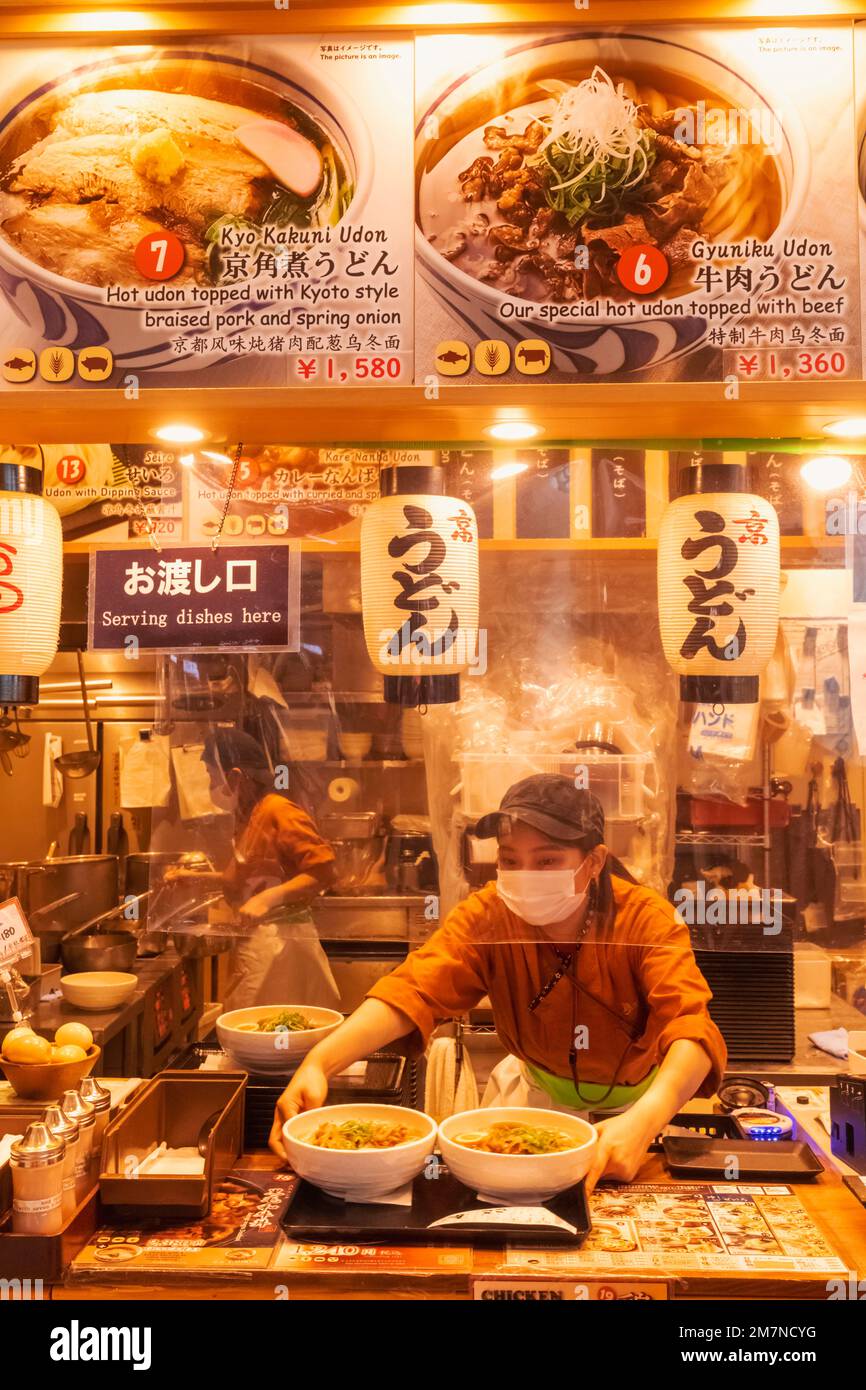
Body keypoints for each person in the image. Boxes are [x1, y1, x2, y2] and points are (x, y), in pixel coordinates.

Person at [269, 774, 727, 1188]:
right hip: (533, 1100)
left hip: (641, 1110)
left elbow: (690, 1025)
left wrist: (644, 1121)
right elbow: (412, 988)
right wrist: (320, 1062)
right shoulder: (489, 915)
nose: (525, 877)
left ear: (594, 861)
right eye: (510, 860)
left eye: (547, 861)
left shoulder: (646, 919)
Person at [175, 728, 340, 1010]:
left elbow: (323, 870)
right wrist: (197, 878)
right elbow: (247, 877)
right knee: (254, 1029)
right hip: (260, 941)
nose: (210, 785)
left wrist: (267, 899)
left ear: (235, 776)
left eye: (212, 776)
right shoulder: (249, 816)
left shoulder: (278, 810)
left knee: (273, 1031)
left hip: (283, 946)